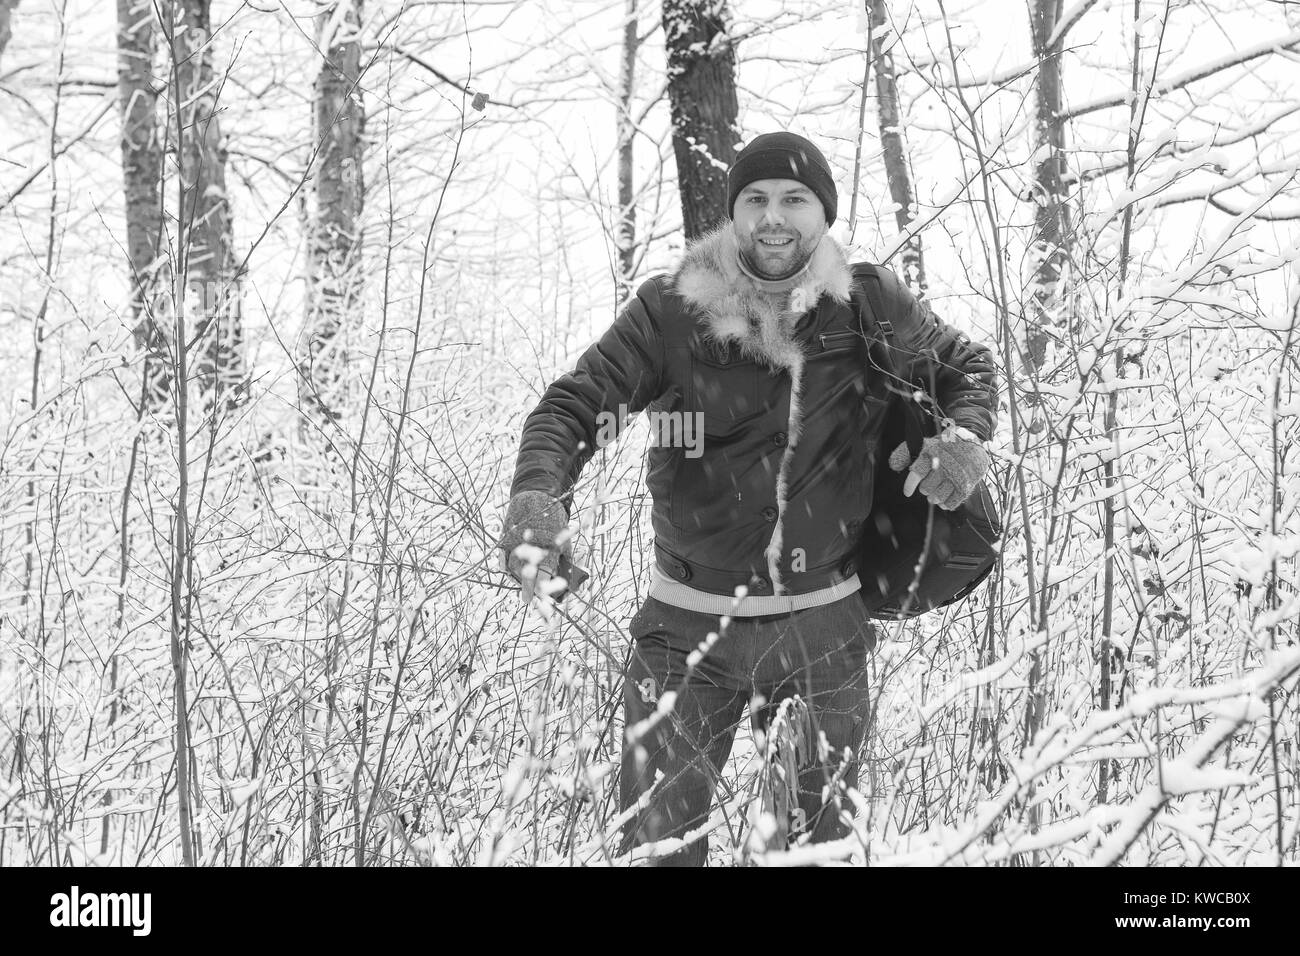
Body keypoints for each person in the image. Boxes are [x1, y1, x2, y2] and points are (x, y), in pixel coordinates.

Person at [497, 131, 998, 865]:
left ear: (823, 214)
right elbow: (575, 407)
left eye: (795, 200)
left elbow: (967, 370)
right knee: (655, 851)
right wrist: (539, 494)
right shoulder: (670, 314)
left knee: (816, 855)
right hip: (686, 637)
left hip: (825, 633)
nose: (773, 216)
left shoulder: (866, 303)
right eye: (755, 199)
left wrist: (964, 437)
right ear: (732, 213)